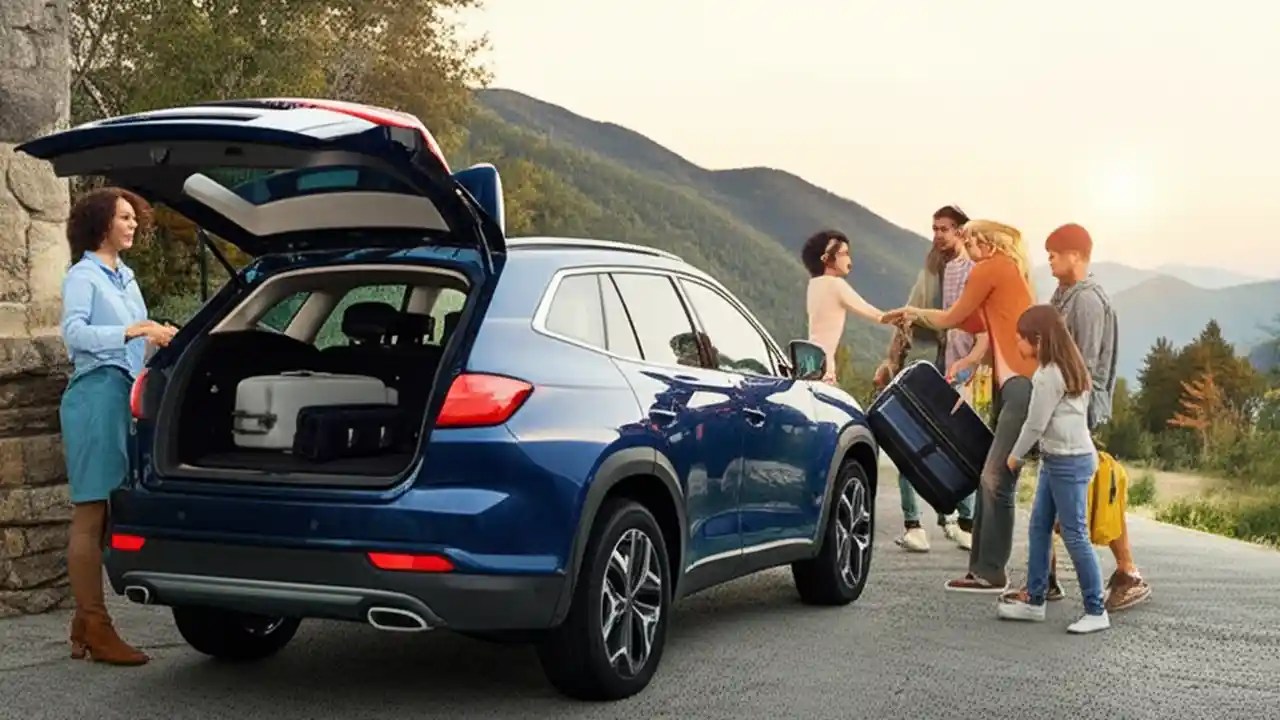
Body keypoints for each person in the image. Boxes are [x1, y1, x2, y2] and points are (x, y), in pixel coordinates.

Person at [1002, 223, 1151, 611]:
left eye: (1055, 253)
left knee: (1094, 494)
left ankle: (1128, 572)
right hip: (1066, 408)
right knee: (1055, 500)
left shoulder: (1086, 301)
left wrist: (1051, 400)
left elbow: (1077, 367)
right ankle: (1045, 579)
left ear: (1076, 255)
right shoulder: (1065, 294)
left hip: (1078, 411)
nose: (1049, 259)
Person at [883, 219, 1035, 593]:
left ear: (989, 244)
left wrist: (911, 311)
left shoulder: (992, 267)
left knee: (995, 478)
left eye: (970, 239)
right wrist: (966, 359)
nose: (965, 245)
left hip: (1020, 385)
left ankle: (991, 572)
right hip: (1010, 386)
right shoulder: (1006, 272)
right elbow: (968, 323)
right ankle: (984, 570)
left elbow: (951, 316)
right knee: (995, 476)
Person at [60, 187, 176, 665]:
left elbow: (136, 345)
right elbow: (73, 334)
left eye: (134, 218)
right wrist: (134, 330)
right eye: (124, 217)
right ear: (101, 223)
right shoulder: (82, 275)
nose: (133, 225)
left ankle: (83, 624)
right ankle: (97, 624)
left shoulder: (125, 278)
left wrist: (159, 338)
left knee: (108, 513)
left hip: (123, 394)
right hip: (94, 394)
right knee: (91, 512)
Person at [996, 304, 1110, 634]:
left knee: (1074, 535)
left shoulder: (1048, 375)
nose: (1017, 344)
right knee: (1039, 527)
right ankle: (1034, 600)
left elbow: (1035, 424)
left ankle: (1096, 610)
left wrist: (1014, 456)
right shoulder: (1070, 366)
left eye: (1020, 338)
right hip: (1058, 458)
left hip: (1068, 462)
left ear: (1038, 339)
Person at [876, 205, 982, 552]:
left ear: (960, 231)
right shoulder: (932, 267)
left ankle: (963, 521)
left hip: (959, 368)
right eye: (934, 228)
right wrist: (891, 361)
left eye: (944, 229)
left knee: (960, 445)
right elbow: (910, 314)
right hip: (926, 364)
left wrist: (972, 363)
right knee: (909, 440)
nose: (937, 235)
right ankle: (914, 525)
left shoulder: (973, 270)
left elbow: (975, 323)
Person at [802, 230, 888, 383]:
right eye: (845, 254)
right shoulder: (836, 285)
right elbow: (874, 314)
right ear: (828, 258)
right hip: (824, 367)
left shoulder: (814, 284)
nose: (849, 260)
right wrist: (905, 318)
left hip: (810, 363)